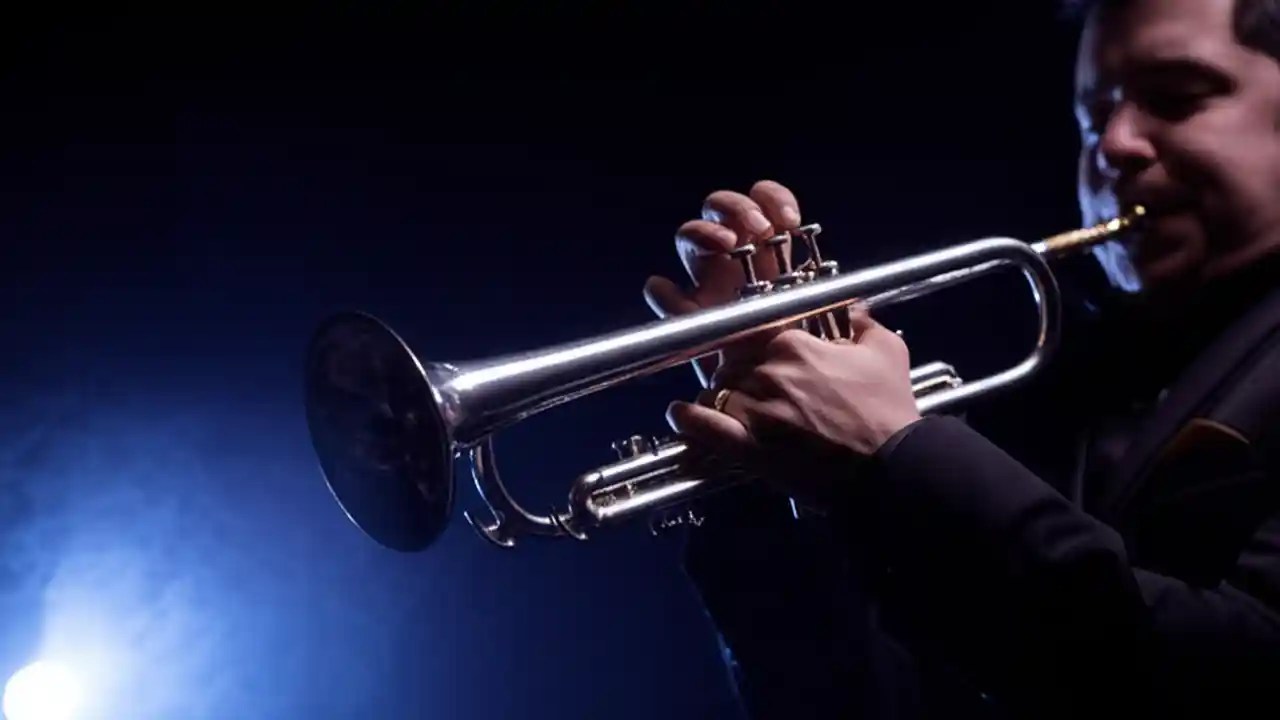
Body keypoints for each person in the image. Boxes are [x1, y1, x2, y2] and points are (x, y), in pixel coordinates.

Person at [643, 0, 1280, 717]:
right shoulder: (1084, 387)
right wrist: (777, 478)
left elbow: (1243, 675)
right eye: (1090, 119)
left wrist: (898, 455)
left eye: (1176, 96)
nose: (1115, 144)